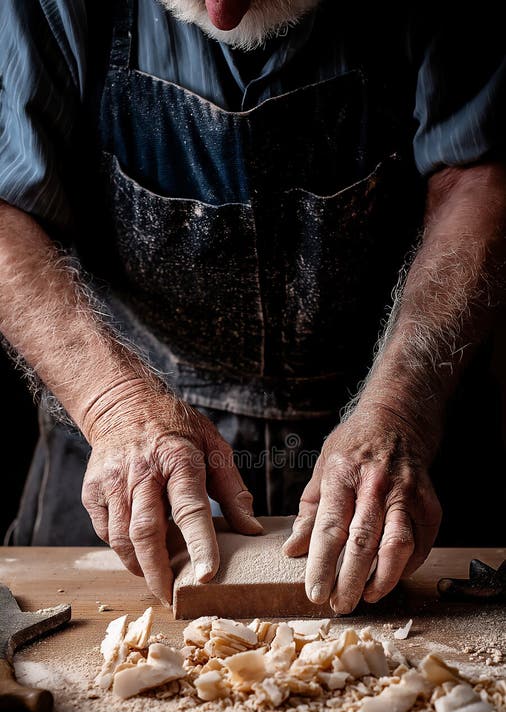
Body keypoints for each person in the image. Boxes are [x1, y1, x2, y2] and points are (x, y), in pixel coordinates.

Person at [0, 1, 505, 614]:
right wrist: (113, 403)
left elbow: (477, 176)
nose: (223, 12)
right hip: (118, 427)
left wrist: (403, 407)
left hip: (400, 412)